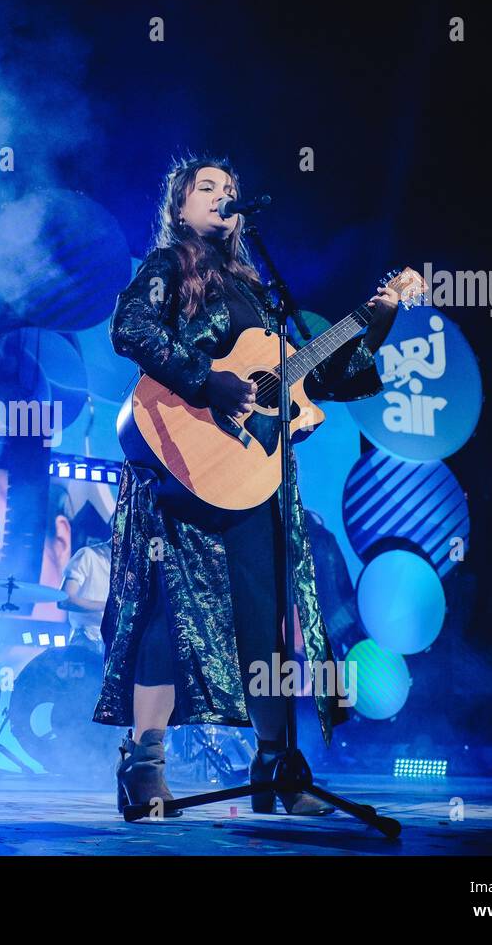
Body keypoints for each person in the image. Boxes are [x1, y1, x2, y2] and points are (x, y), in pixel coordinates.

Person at [94, 156, 399, 816]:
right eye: (207, 187)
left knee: (266, 631)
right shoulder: (166, 268)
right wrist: (210, 380)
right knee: (167, 615)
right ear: (178, 208)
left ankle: (275, 770)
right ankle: (143, 764)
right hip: (179, 462)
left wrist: (377, 318)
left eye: (229, 190)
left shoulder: (260, 297)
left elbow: (320, 377)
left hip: (252, 479)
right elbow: (132, 330)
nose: (223, 196)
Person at [61, 538, 112, 656]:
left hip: (115, 641)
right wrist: (109, 606)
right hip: (87, 639)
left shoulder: (133, 564)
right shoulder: (88, 555)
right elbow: (65, 600)